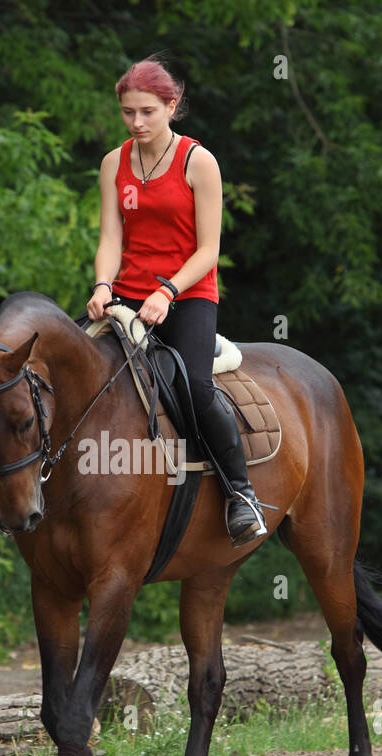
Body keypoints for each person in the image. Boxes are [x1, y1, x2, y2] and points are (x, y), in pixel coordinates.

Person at [85, 54, 267, 548]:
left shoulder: (198, 161)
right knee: (60, 369)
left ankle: (240, 493)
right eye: (128, 112)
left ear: (172, 105)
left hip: (186, 294)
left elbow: (209, 249)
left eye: (147, 111)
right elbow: (110, 237)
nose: (137, 122)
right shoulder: (113, 163)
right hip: (125, 295)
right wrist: (103, 285)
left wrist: (167, 291)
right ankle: (36, 489)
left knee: (194, 385)